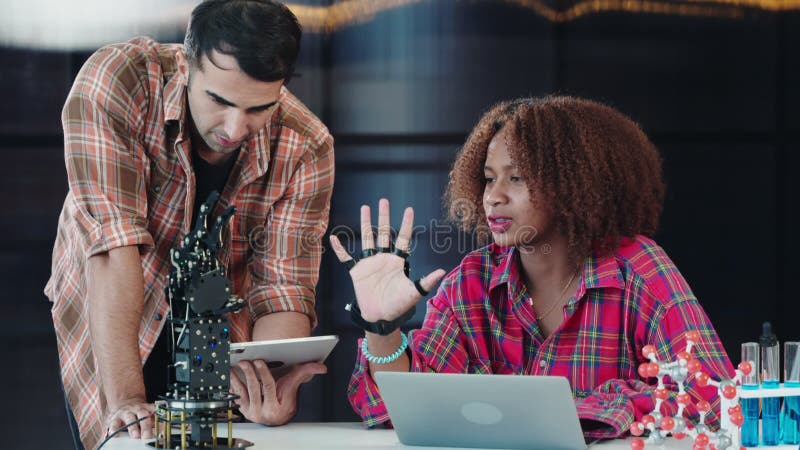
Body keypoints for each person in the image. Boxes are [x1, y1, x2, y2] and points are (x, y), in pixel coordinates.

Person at [329, 96, 734, 439]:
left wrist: (564, 410)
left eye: (517, 178)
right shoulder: (471, 281)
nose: (493, 197)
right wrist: (380, 327)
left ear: (575, 184)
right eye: (488, 180)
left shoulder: (639, 270)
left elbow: (711, 395)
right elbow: (395, 408)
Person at [45, 1, 334, 448]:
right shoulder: (118, 81)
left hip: (220, 336)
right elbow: (112, 246)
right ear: (186, 62)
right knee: (125, 434)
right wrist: (124, 400)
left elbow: (283, 288)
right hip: (116, 314)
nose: (236, 128)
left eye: (259, 108)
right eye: (219, 100)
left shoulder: (307, 145)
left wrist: (269, 383)